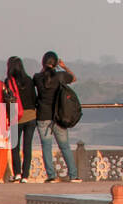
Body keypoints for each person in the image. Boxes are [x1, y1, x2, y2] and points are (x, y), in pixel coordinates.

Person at [33, 51, 79, 182]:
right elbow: (73, 78)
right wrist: (63, 66)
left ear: (43, 63)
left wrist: (45, 67)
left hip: (42, 116)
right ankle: (73, 175)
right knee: (64, 147)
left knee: (46, 147)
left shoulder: (37, 77)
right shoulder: (60, 76)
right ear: (56, 63)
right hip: (59, 116)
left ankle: (51, 175)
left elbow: (40, 76)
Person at [4, 56, 37, 182]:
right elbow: (34, 98)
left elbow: (5, 101)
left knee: (15, 147)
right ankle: (26, 175)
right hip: (30, 116)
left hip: (15, 117)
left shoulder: (8, 82)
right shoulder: (29, 80)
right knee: (27, 146)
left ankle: (17, 173)